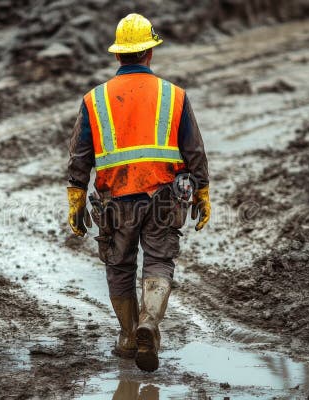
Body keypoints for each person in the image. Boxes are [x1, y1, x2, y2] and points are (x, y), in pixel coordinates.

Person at [66, 13, 210, 372]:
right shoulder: (174, 95)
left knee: (119, 266)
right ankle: (150, 322)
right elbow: (194, 151)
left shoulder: (94, 99)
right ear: (149, 53)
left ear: (118, 56)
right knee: (159, 261)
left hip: (115, 200)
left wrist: (76, 198)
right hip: (165, 197)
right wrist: (202, 191)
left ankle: (130, 336)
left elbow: (80, 156)